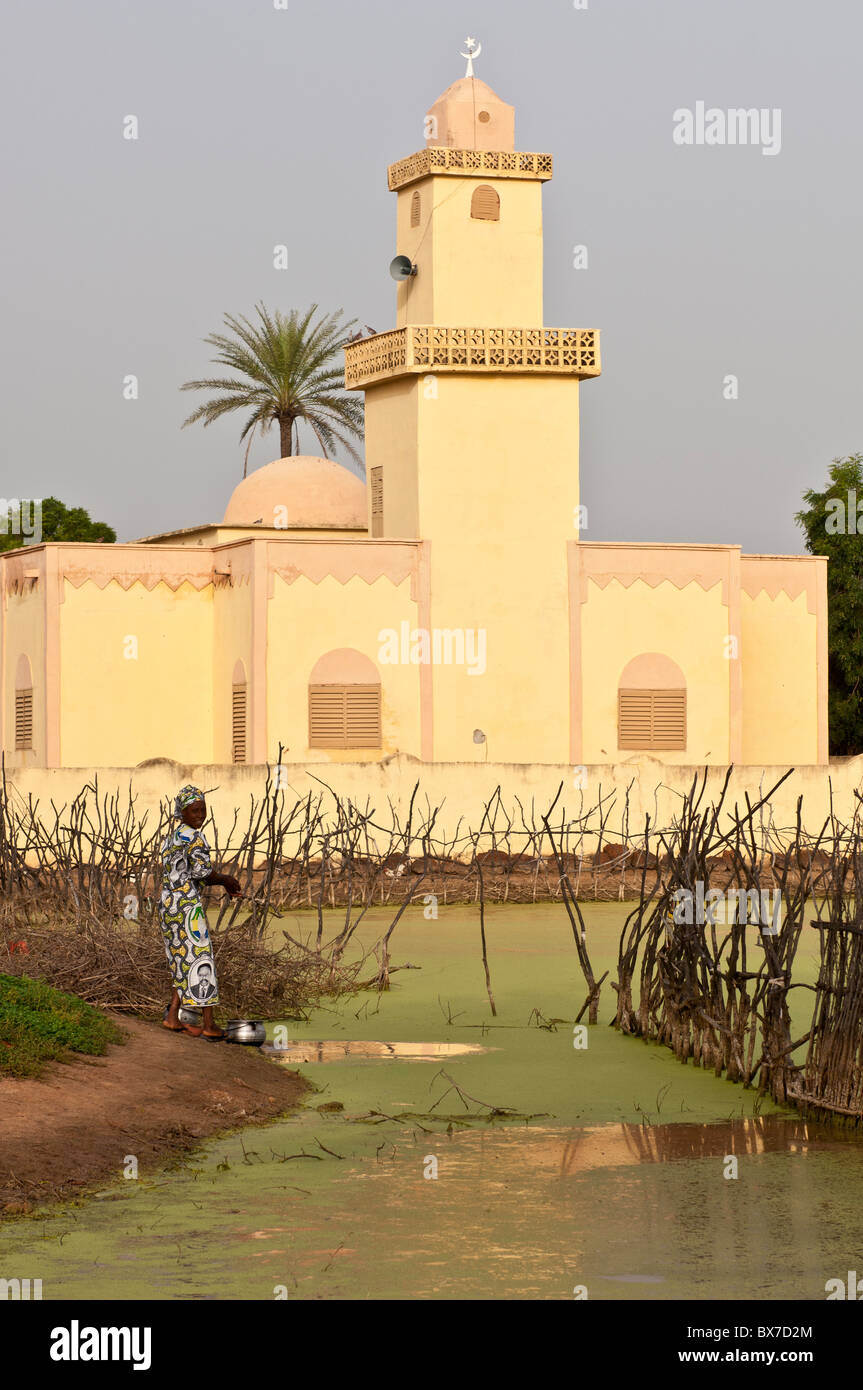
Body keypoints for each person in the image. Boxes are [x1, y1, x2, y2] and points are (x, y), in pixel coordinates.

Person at [160, 785, 241, 1040]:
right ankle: (208, 1024)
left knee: (180, 958)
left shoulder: (172, 837)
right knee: (201, 958)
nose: (200, 815)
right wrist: (227, 880)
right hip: (186, 907)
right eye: (194, 810)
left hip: (167, 906)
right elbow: (201, 873)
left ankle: (173, 1017)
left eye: (203, 810)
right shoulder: (195, 837)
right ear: (181, 812)